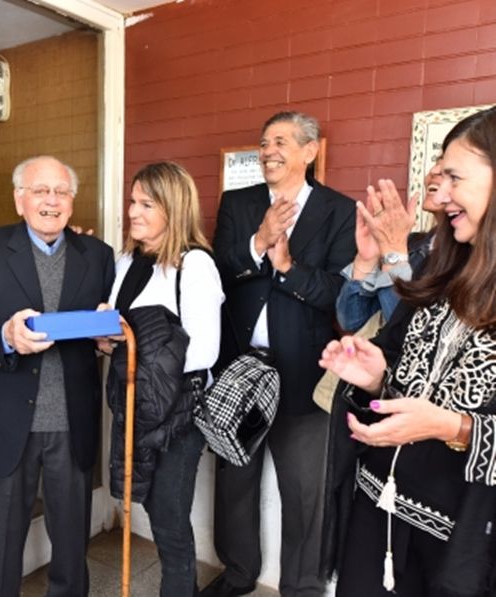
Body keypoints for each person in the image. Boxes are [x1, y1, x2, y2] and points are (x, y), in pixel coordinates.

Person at [320, 106, 496, 597]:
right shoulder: (444, 269)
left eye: (455, 177)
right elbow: (400, 360)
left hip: (461, 545)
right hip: (378, 507)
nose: (441, 194)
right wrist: (376, 376)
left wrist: (454, 427)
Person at [207, 111, 356, 597]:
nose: (268, 151)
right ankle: (237, 574)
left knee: (305, 492)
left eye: (280, 142)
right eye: (264, 142)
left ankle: (302, 587)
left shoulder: (339, 210)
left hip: (303, 375)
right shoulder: (238, 203)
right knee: (234, 482)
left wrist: (287, 266)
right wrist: (258, 241)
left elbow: (339, 294)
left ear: (309, 151)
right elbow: (218, 274)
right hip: (241, 370)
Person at [0, 155, 115, 597]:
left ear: (73, 200)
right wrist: (5, 336)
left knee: (71, 543)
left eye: (61, 192)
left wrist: (107, 339)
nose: (51, 201)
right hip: (4, 419)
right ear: (18, 199)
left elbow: (103, 326)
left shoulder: (97, 256)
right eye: (41, 191)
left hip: (72, 420)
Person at [98, 161, 223, 596]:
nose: (133, 211)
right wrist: (108, 337)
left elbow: (203, 351)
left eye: (147, 204)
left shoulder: (194, 265)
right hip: (135, 404)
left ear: (174, 208)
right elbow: (117, 333)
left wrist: (133, 343)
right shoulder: (127, 261)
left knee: (169, 518)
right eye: (133, 201)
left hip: (179, 413)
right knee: (152, 505)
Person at [335, 162, 444, 332]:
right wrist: (366, 260)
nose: (434, 170)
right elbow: (351, 320)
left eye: (452, 171)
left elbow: (410, 334)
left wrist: (394, 254)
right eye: (438, 160)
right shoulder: (412, 244)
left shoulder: (473, 257)